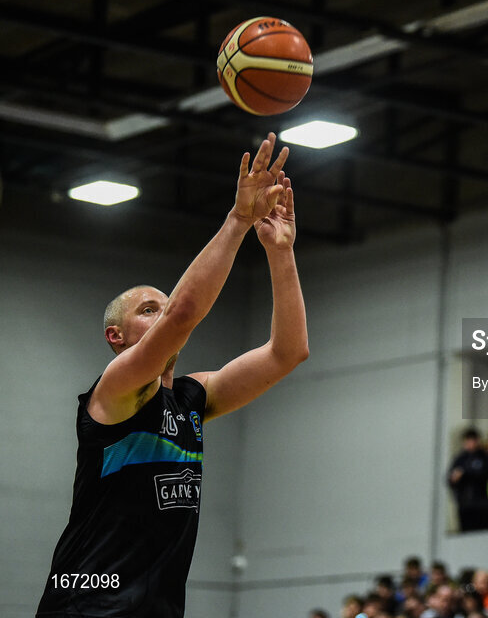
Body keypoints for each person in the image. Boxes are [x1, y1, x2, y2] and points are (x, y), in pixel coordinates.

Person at [36, 134, 308, 618]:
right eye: (147, 311)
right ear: (116, 337)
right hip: (86, 608)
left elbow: (288, 353)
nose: (162, 315)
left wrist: (280, 250)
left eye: (161, 306)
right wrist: (238, 220)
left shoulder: (193, 398)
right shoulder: (115, 391)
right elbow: (183, 312)